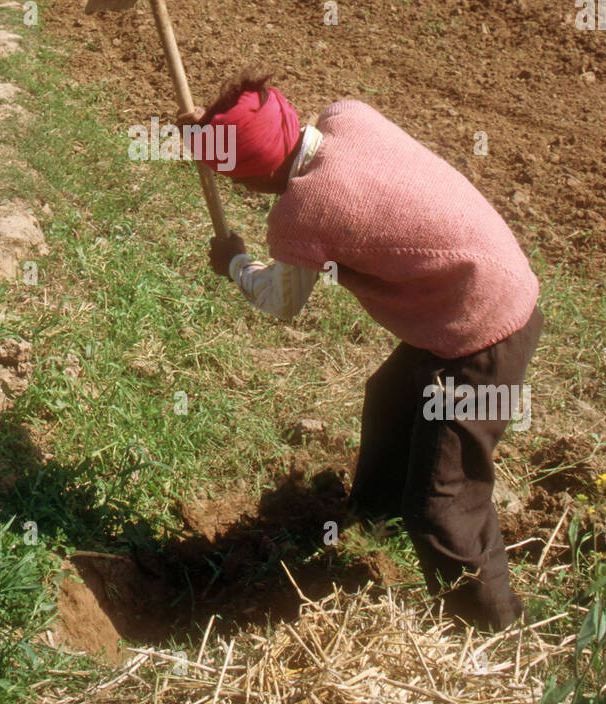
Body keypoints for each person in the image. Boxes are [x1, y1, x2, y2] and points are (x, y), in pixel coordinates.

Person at [180, 72, 542, 632]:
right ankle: (374, 522)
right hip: (477, 289)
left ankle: (496, 632)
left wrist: (234, 262)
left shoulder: (305, 207)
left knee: (443, 508)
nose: (243, 193)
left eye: (239, 180)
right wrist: (208, 136)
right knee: (394, 397)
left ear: (257, 177)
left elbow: (280, 302)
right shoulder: (347, 116)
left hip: (482, 332)